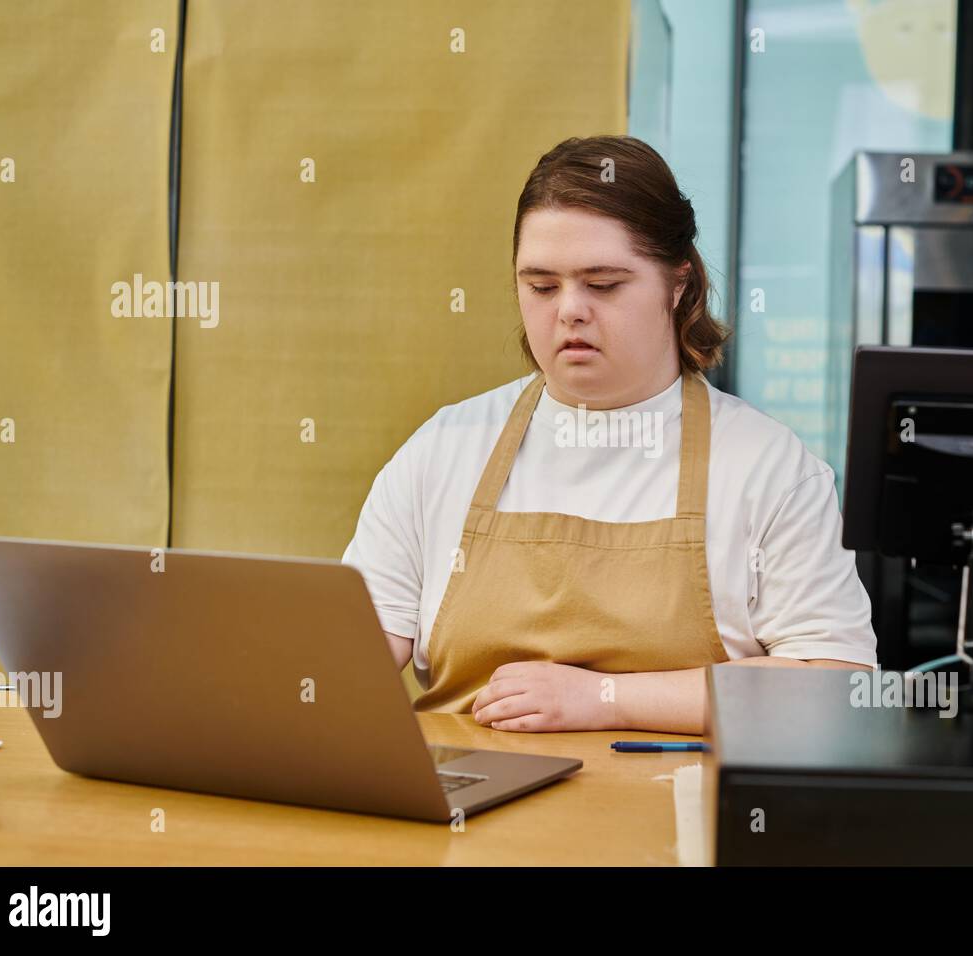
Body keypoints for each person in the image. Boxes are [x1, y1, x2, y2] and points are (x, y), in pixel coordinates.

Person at [343, 135, 875, 735]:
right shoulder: (444, 449)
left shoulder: (767, 467)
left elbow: (834, 682)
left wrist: (606, 697)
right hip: (462, 814)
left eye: (603, 285)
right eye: (541, 286)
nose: (569, 310)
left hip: (671, 820)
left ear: (679, 283)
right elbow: (348, 665)